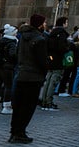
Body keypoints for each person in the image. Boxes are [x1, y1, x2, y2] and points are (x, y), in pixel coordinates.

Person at [10, 14, 49, 144]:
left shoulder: (22, 37)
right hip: (33, 77)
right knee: (28, 107)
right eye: (44, 22)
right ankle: (20, 132)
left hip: (21, 74)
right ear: (39, 24)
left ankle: (14, 131)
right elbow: (42, 61)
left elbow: (16, 54)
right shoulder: (39, 39)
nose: (45, 24)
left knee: (18, 106)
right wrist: (44, 72)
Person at [0, 24, 19, 114]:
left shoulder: (0, 40)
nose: (16, 34)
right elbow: (12, 54)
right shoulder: (12, 42)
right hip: (7, 67)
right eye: (15, 33)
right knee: (8, 86)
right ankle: (6, 106)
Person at [41, 16, 69, 110]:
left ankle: (44, 100)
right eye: (66, 22)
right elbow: (62, 47)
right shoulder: (62, 34)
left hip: (51, 59)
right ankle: (49, 101)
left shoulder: (52, 33)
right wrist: (67, 47)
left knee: (48, 80)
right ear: (63, 23)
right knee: (53, 81)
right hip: (58, 59)